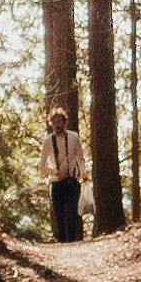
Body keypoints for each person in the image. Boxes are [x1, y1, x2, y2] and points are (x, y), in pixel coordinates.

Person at [47, 104, 85, 245]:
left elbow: (80, 159)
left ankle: (73, 244)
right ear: (51, 124)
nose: (57, 125)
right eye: (54, 122)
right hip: (56, 183)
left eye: (59, 121)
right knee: (59, 216)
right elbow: (41, 167)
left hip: (72, 182)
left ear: (65, 122)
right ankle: (62, 244)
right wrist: (55, 173)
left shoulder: (74, 138)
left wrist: (84, 177)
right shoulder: (48, 142)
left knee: (72, 213)